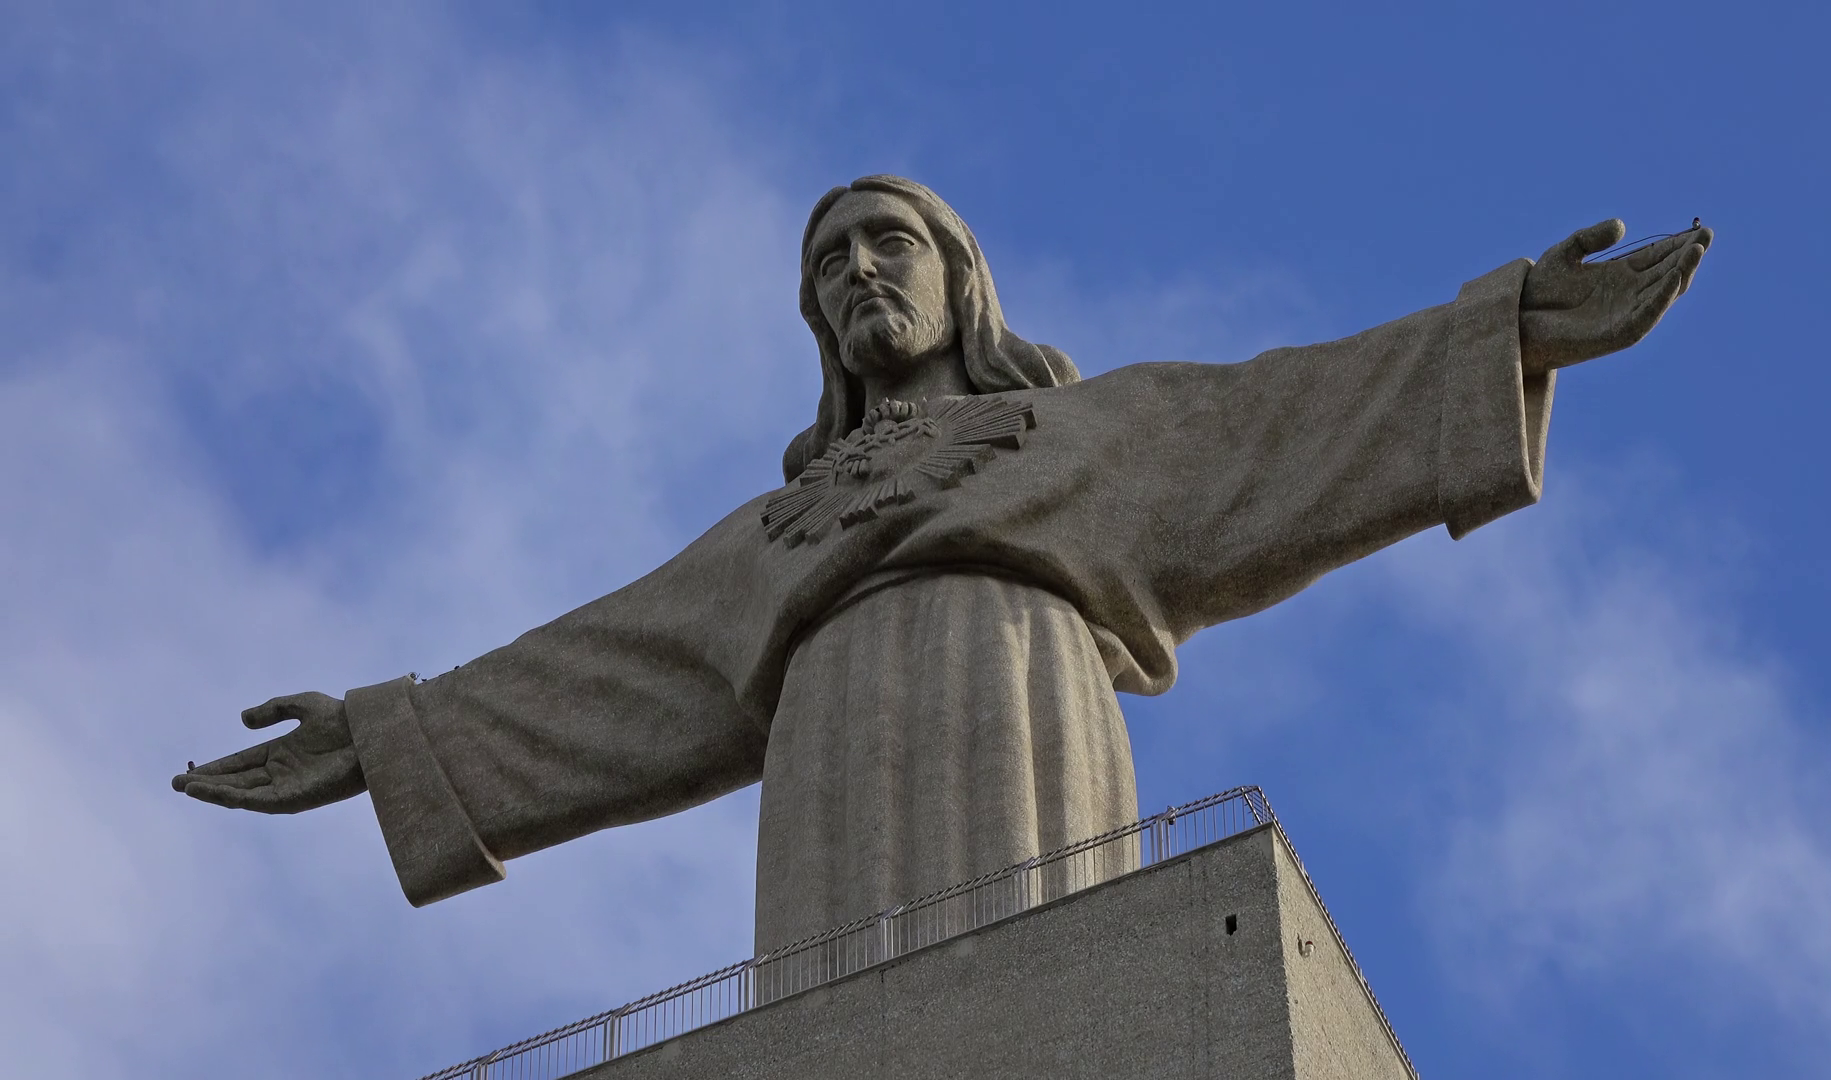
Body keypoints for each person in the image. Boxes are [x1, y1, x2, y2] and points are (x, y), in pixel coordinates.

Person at [174, 175, 1711, 955]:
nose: (858, 275)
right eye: (830, 263)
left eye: (888, 245)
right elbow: (601, 669)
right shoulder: (772, 538)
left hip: (1025, 684)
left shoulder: (1097, 434)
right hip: (831, 749)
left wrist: (1501, 330)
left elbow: (1288, 415)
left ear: (959, 277)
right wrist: (391, 740)